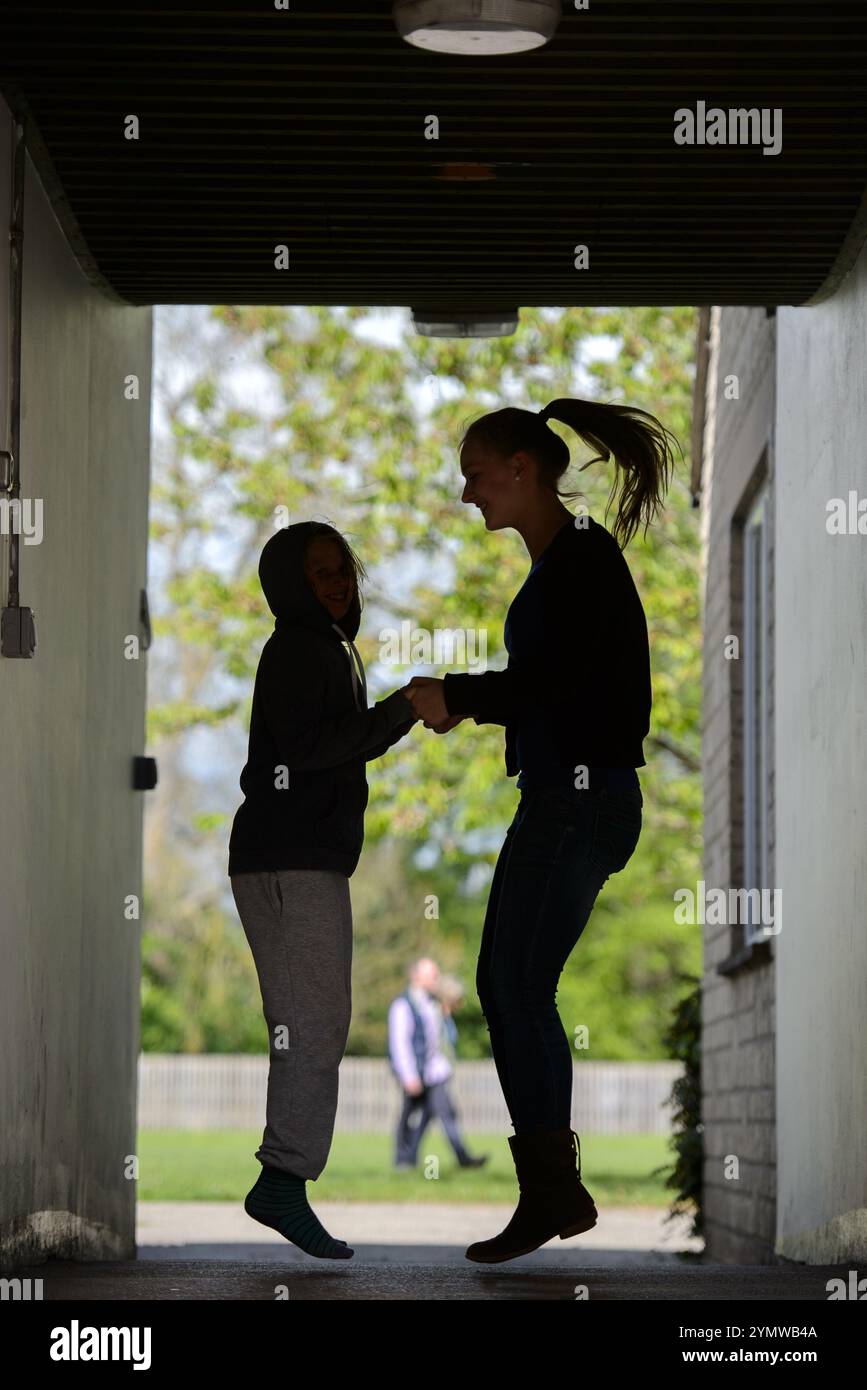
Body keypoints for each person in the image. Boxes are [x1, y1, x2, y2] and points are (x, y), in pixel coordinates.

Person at [402, 397, 679, 1263]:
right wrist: (465, 699)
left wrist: (463, 694)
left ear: (522, 468)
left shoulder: (584, 562)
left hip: (580, 800)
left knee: (515, 987)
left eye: (475, 475)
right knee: (508, 986)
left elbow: (560, 683)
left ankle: (552, 1194)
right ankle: (550, 1192)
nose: (466, 493)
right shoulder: (566, 563)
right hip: (564, 796)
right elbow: (557, 683)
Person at [228, 520, 424, 1260]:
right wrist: (402, 710)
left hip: (302, 861)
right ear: (289, 584)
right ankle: (281, 1181)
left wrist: (396, 711)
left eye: (342, 568)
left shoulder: (327, 649)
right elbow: (311, 750)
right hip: (287, 861)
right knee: (310, 1027)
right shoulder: (295, 651)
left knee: (314, 1024)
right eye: (319, 572)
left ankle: (285, 1177)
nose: (337, 581)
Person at [387, 958, 487, 1170]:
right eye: (432, 975)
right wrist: (409, 1076)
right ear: (416, 977)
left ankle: (462, 1157)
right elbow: (399, 1043)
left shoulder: (434, 1004)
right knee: (410, 1116)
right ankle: (403, 1161)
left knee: (445, 1114)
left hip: (435, 1074)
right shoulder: (403, 1005)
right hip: (416, 1073)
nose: (436, 980)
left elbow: (443, 1038)